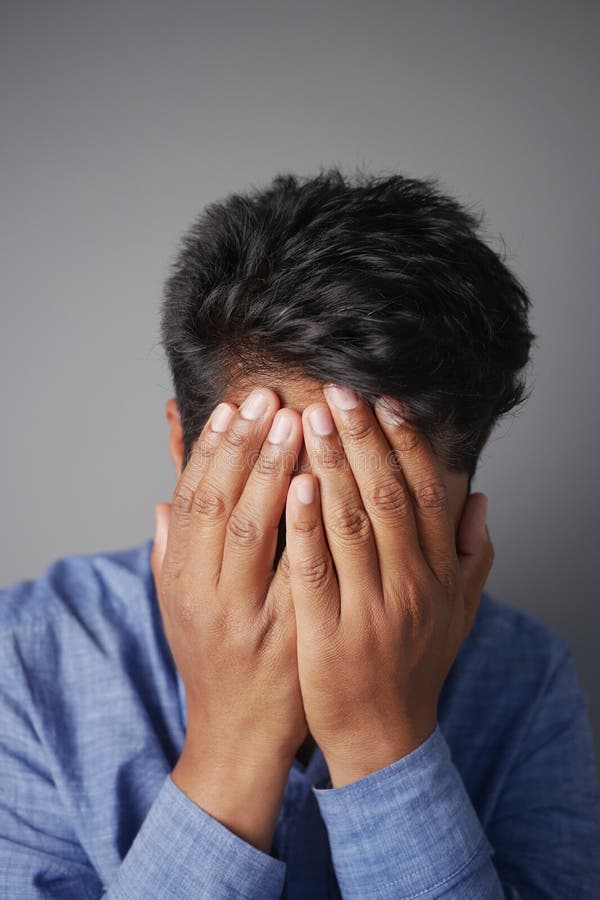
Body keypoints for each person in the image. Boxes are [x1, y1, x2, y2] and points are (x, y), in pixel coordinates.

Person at [1, 167, 598, 899]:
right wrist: (232, 747)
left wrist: (384, 739)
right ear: (185, 452)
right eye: (284, 492)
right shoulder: (23, 663)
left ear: (467, 503)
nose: (324, 556)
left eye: (382, 514)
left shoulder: (527, 679)